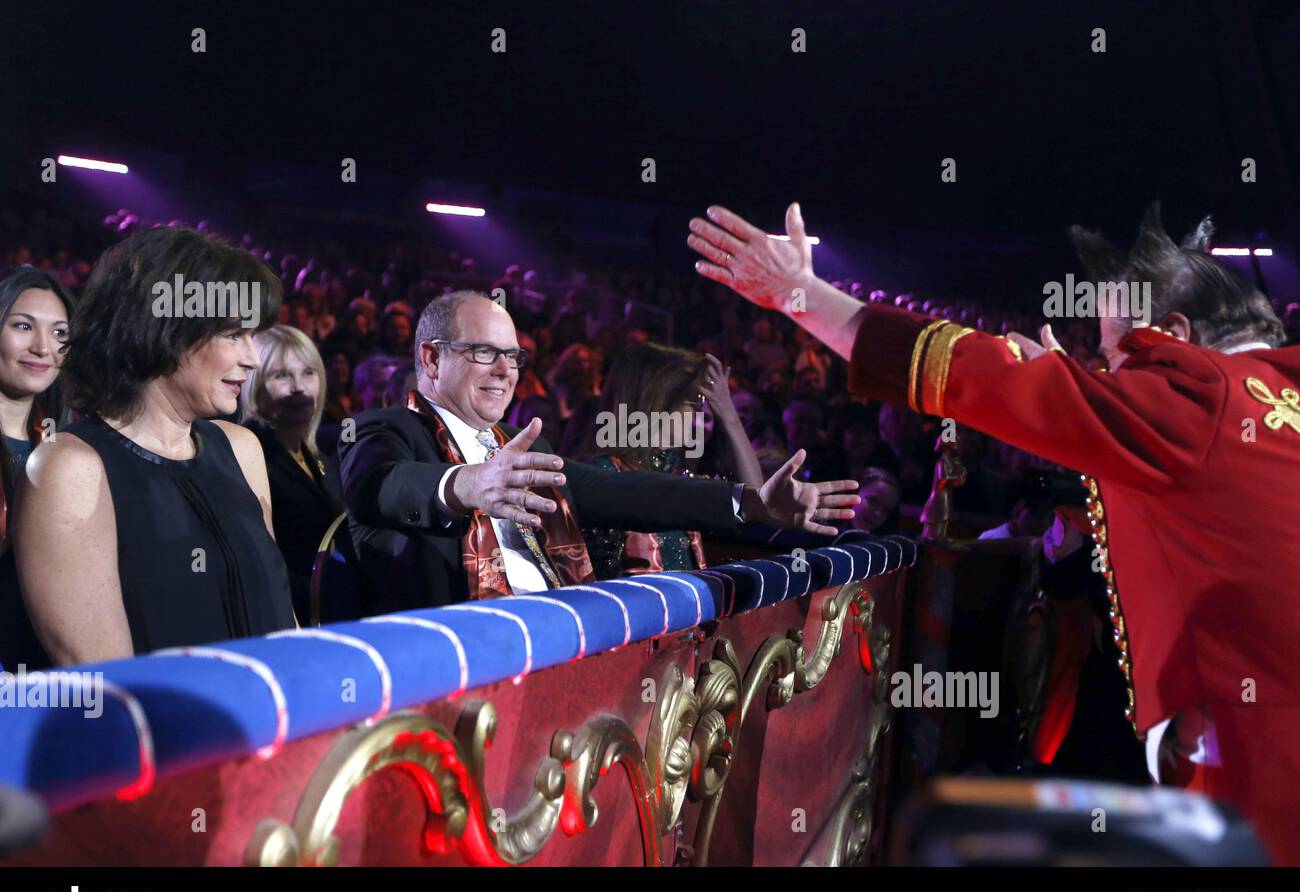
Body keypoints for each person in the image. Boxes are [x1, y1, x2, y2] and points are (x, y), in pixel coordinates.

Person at [689, 200, 1299, 864]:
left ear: (1173, 336)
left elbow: (985, 378)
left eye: (1106, 355)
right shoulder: (1271, 393)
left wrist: (805, 298)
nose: (1102, 376)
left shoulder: (1198, 394)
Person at [338, 290, 858, 613]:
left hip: (560, 644)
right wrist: (469, 484)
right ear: (431, 358)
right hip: (454, 666)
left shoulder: (526, 446)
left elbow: (625, 489)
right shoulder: (384, 431)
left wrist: (747, 504)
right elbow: (382, 487)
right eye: (484, 353)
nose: (505, 371)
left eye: (514, 357)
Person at [14, 227, 296, 664]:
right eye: (232, 335)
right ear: (166, 331)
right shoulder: (70, 468)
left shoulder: (242, 448)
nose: (253, 358)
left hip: (281, 721)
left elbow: (283, 623)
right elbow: (110, 683)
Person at [579, 344, 763, 578]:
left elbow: (756, 498)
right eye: (695, 400)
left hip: (686, 611)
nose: (700, 413)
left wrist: (728, 413)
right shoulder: (606, 472)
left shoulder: (680, 476)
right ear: (659, 400)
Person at [241, 325, 345, 624]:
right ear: (254, 383)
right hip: (284, 620)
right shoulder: (249, 454)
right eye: (282, 375)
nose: (299, 387)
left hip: (327, 612)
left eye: (308, 372)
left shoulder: (318, 456)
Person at [0, 268, 73, 670]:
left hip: (47, 669)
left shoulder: (70, 448)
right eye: (24, 326)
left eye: (60, 333)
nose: (44, 347)